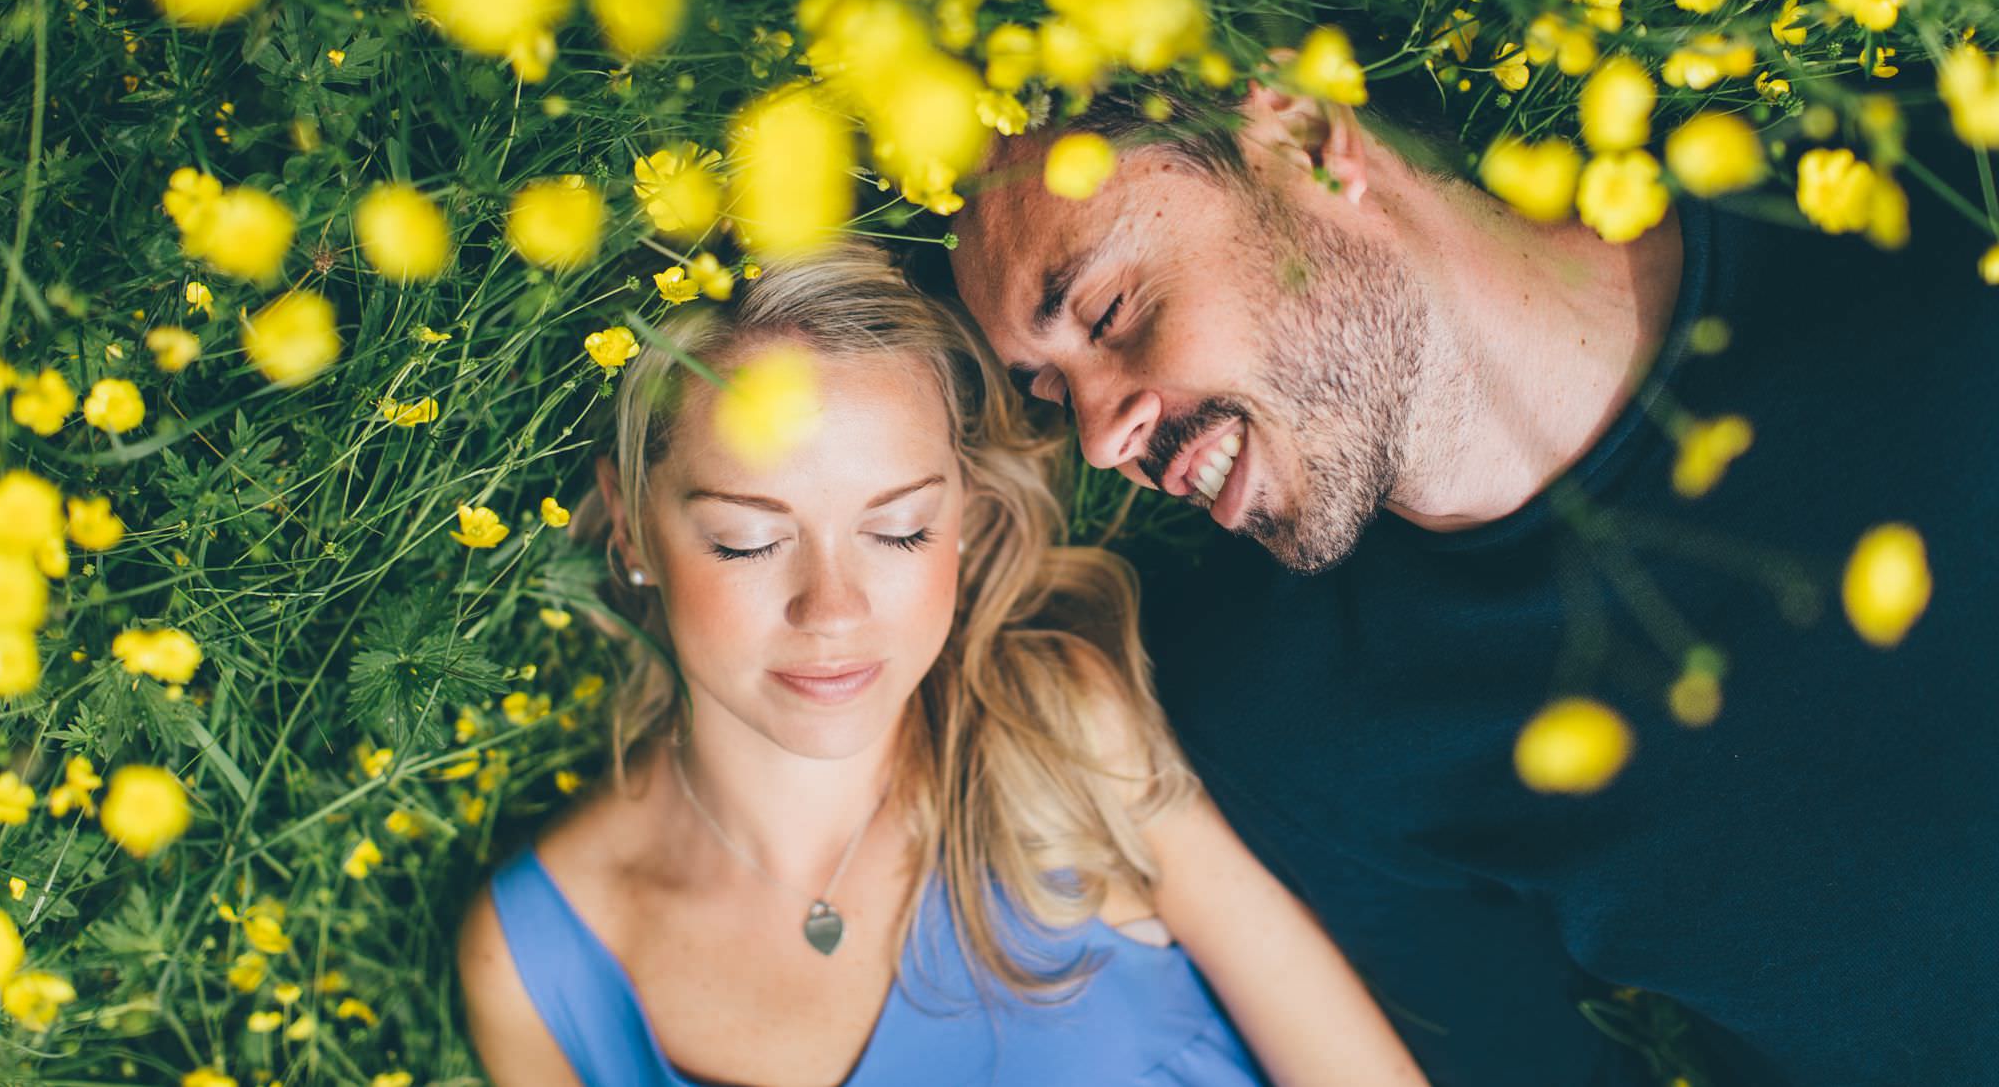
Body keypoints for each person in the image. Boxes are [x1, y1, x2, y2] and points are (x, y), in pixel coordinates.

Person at [944, 72, 1999, 1087]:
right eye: (1048, 391)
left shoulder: (1917, 209)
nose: (1096, 436)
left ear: (1307, 141)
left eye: (1108, 309)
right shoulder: (1298, 712)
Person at [454, 243, 1430, 1087]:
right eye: (748, 539)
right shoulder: (541, 961)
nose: (832, 610)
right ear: (630, 521)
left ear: (959, 515)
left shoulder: (1060, 738)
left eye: (899, 529)